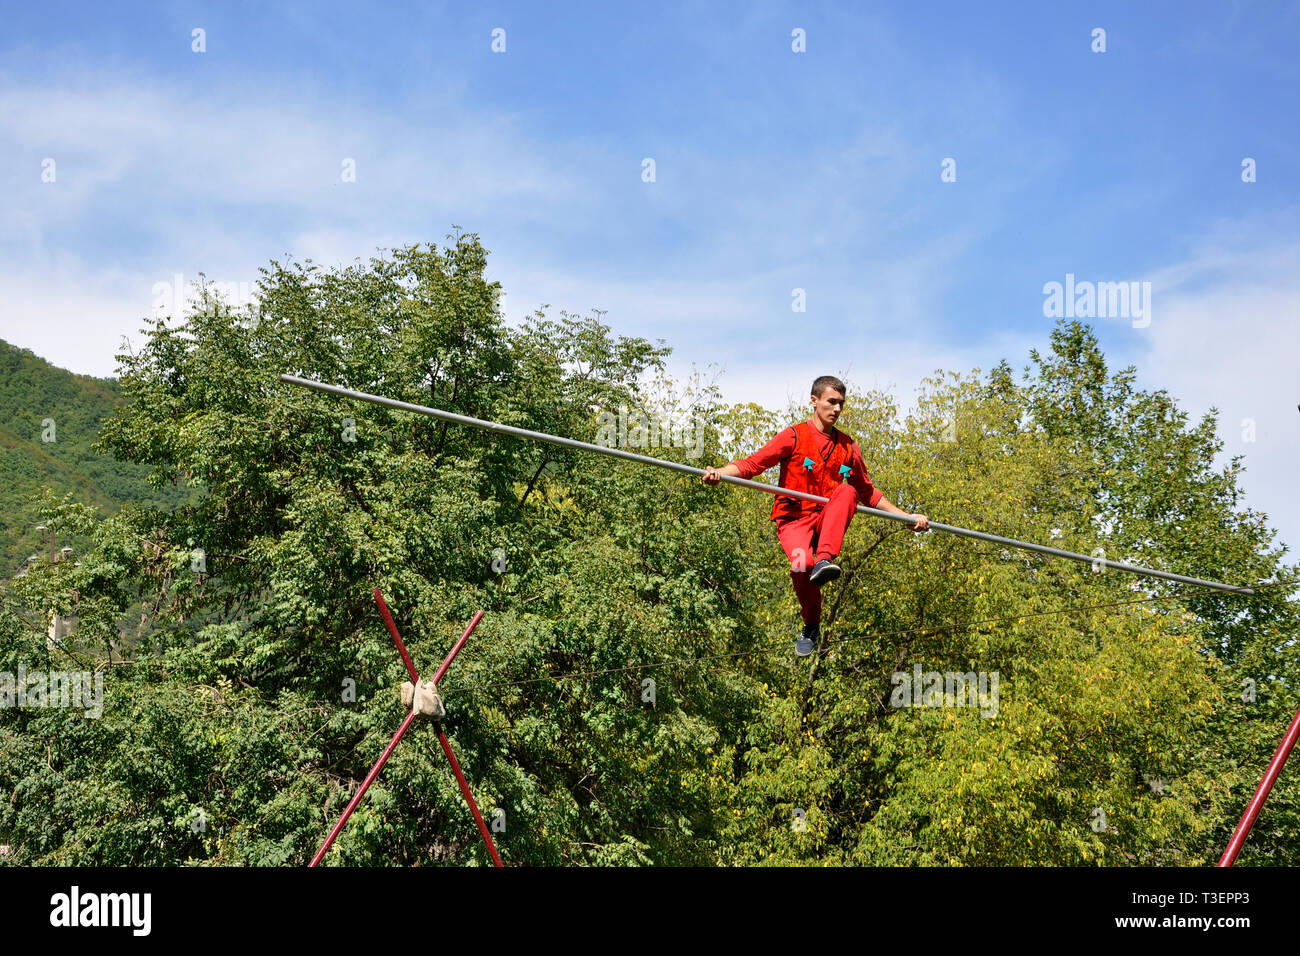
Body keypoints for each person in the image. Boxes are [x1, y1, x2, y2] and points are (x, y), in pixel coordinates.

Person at [702, 375, 929, 657]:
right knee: (801, 564)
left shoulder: (848, 447)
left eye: (841, 404)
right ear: (814, 401)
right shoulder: (794, 436)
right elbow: (752, 465)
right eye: (831, 402)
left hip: (827, 523)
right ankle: (811, 624)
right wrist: (719, 474)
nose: (836, 409)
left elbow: (868, 493)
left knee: (847, 492)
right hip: (794, 520)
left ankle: (825, 558)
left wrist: (905, 517)